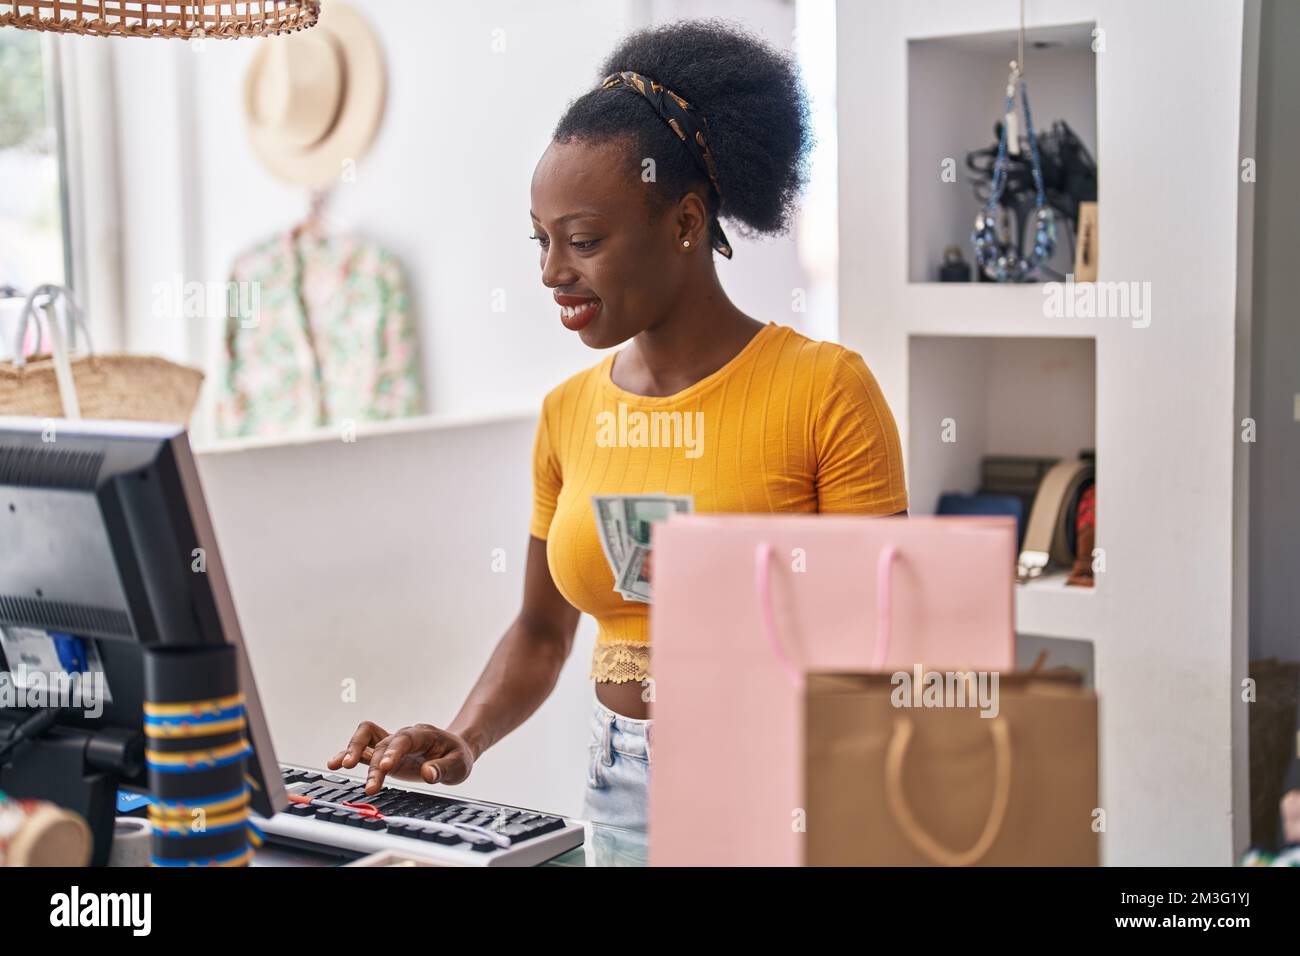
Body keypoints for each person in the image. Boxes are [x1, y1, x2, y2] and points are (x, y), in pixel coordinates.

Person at [327, 19, 908, 833]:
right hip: (618, 781)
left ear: (683, 223)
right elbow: (539, 632)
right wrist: (462, 735)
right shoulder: (569, 413)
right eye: (542, 241)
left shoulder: (824, 391)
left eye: (584, 241)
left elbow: (886, 643)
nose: (551, 272)